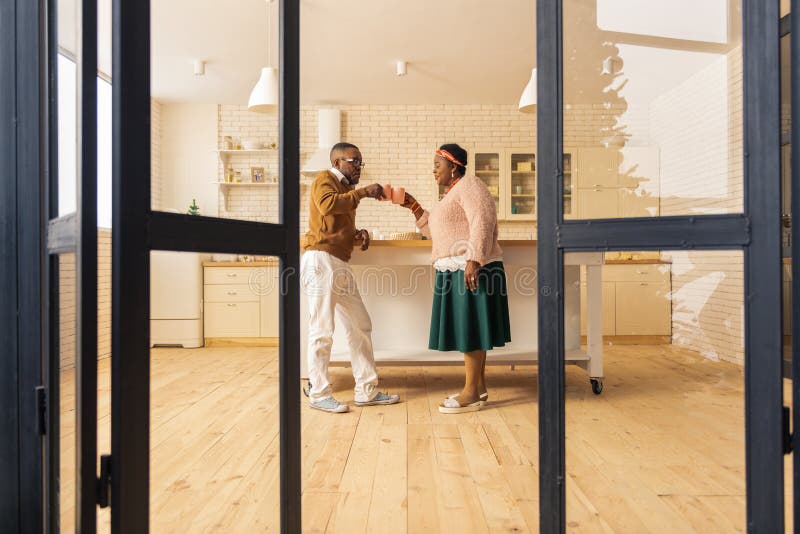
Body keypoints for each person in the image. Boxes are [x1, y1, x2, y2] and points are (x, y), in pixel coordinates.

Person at [402, 143, 510, 414]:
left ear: (453, 166)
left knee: (470, 328)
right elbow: (437, 234)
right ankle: (479, 388)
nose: (433, 169)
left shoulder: (470, 185)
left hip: (468, 267)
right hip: (456, 266)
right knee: (470, 326)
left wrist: (474, 260)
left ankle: (471, 392)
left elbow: (482, 220)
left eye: (437, 164)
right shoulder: (451, 194)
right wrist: (413, 206)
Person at [301, 142, 401, 413]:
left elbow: (337, 223)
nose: (358, 167)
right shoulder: (325, 179)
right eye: (353, 161)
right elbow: (326, 206)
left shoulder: (345, 190)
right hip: (321, 260)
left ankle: (366, 391)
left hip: (339, 262)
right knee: (322, 330)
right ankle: (319, 394)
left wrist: (358, 233)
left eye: (360, 163)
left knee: (360, 324)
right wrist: (364, 192)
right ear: (337, 162)